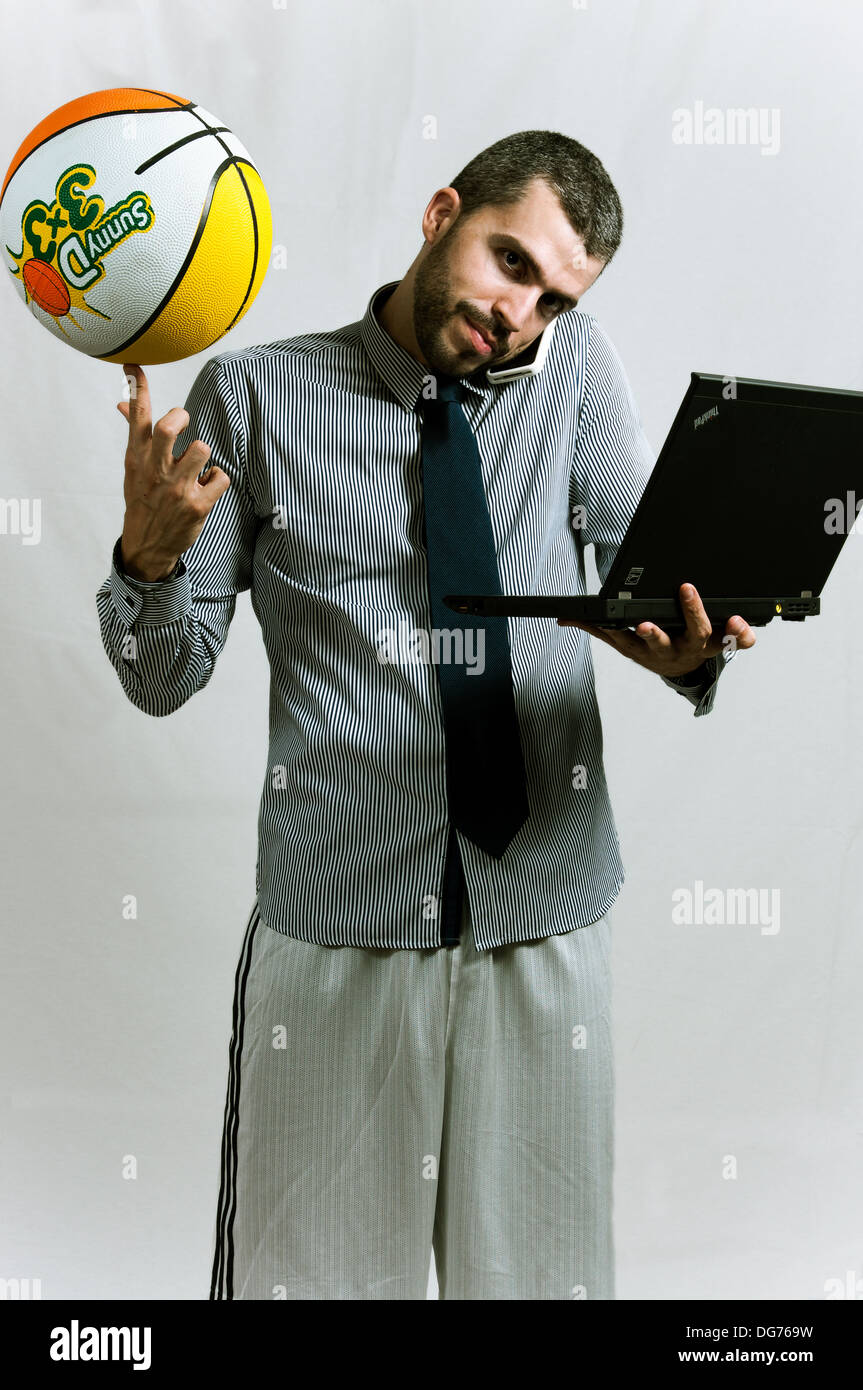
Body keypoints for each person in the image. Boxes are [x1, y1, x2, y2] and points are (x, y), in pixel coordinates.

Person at [96, 129, 756, 1300]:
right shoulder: (251, 397)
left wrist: (687, 651)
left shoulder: (575, 373)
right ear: (440, 211)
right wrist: (145, 564)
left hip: (541, 910)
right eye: (510, 264)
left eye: (553, 297)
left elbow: (651, 584)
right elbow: (163, 676)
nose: (521, 314)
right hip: (339, 923)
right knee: (313, 1283)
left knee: (542, 1286)